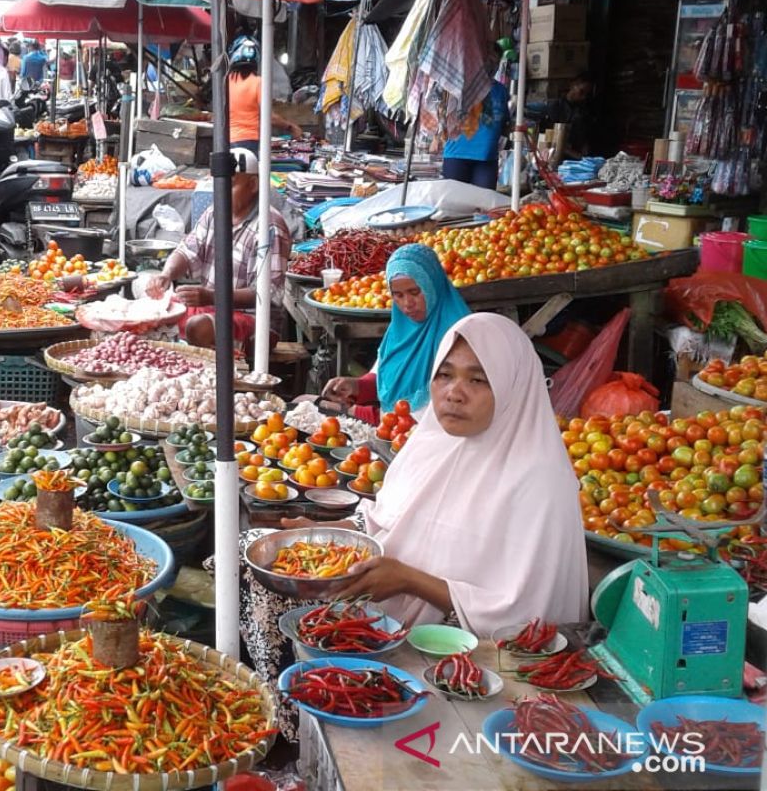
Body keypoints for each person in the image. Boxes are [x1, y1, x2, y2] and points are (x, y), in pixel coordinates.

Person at [244, 313, 589, 739]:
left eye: (477, 381)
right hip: (383, 597)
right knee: (251, 555)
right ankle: (281, 728)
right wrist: (333, 534)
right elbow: (393, 520)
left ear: (514, 388)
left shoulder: (538, 480)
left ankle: (304, 730)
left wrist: (409, 580)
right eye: (444, 375)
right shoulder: (431, 440)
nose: (454, 393)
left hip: (467, 645)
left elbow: (526, 615)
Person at [145, 148, 291, 351]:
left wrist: (213, 296)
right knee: (151, 313)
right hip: (211, 307)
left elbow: (265, 293)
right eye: (218, 185)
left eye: (230, 185)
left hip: (254, 320)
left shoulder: (270, 227)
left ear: (253, 185)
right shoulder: (215, 213)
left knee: (198, 327)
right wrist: (166, 275)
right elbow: (186, 251)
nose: (220, 192)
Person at [320, 244, 471, 423]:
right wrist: (357, 386)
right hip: (391, 430)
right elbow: (384, 374)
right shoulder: (400, 329)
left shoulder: (460, 337)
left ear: (433, 286)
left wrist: (358, 413)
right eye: (398, 295)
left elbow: (437, 417)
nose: (407, 304)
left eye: (414, 292)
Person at [228, 35, 302, 153]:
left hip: (228, 142)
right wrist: (290, 127)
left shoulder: (225, 83)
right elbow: (269, 117)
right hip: (250, 142)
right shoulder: (258, 82)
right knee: (253, 172)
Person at [442, 79, 509, 190]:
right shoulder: (458, 85)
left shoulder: (501, 90)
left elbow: (504, 122)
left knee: (484, 204)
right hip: (457, 155)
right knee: (454, 204)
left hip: (487, 159)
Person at [542, 73, 597, 161]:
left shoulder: (584, 111)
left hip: (577, 157)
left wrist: (585, 150)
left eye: (586, 94)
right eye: (581, 92)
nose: (583, 97)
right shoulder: (556, 106)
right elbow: (549, 135)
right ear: (572, 85)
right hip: (557, 155)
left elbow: (585, 137)